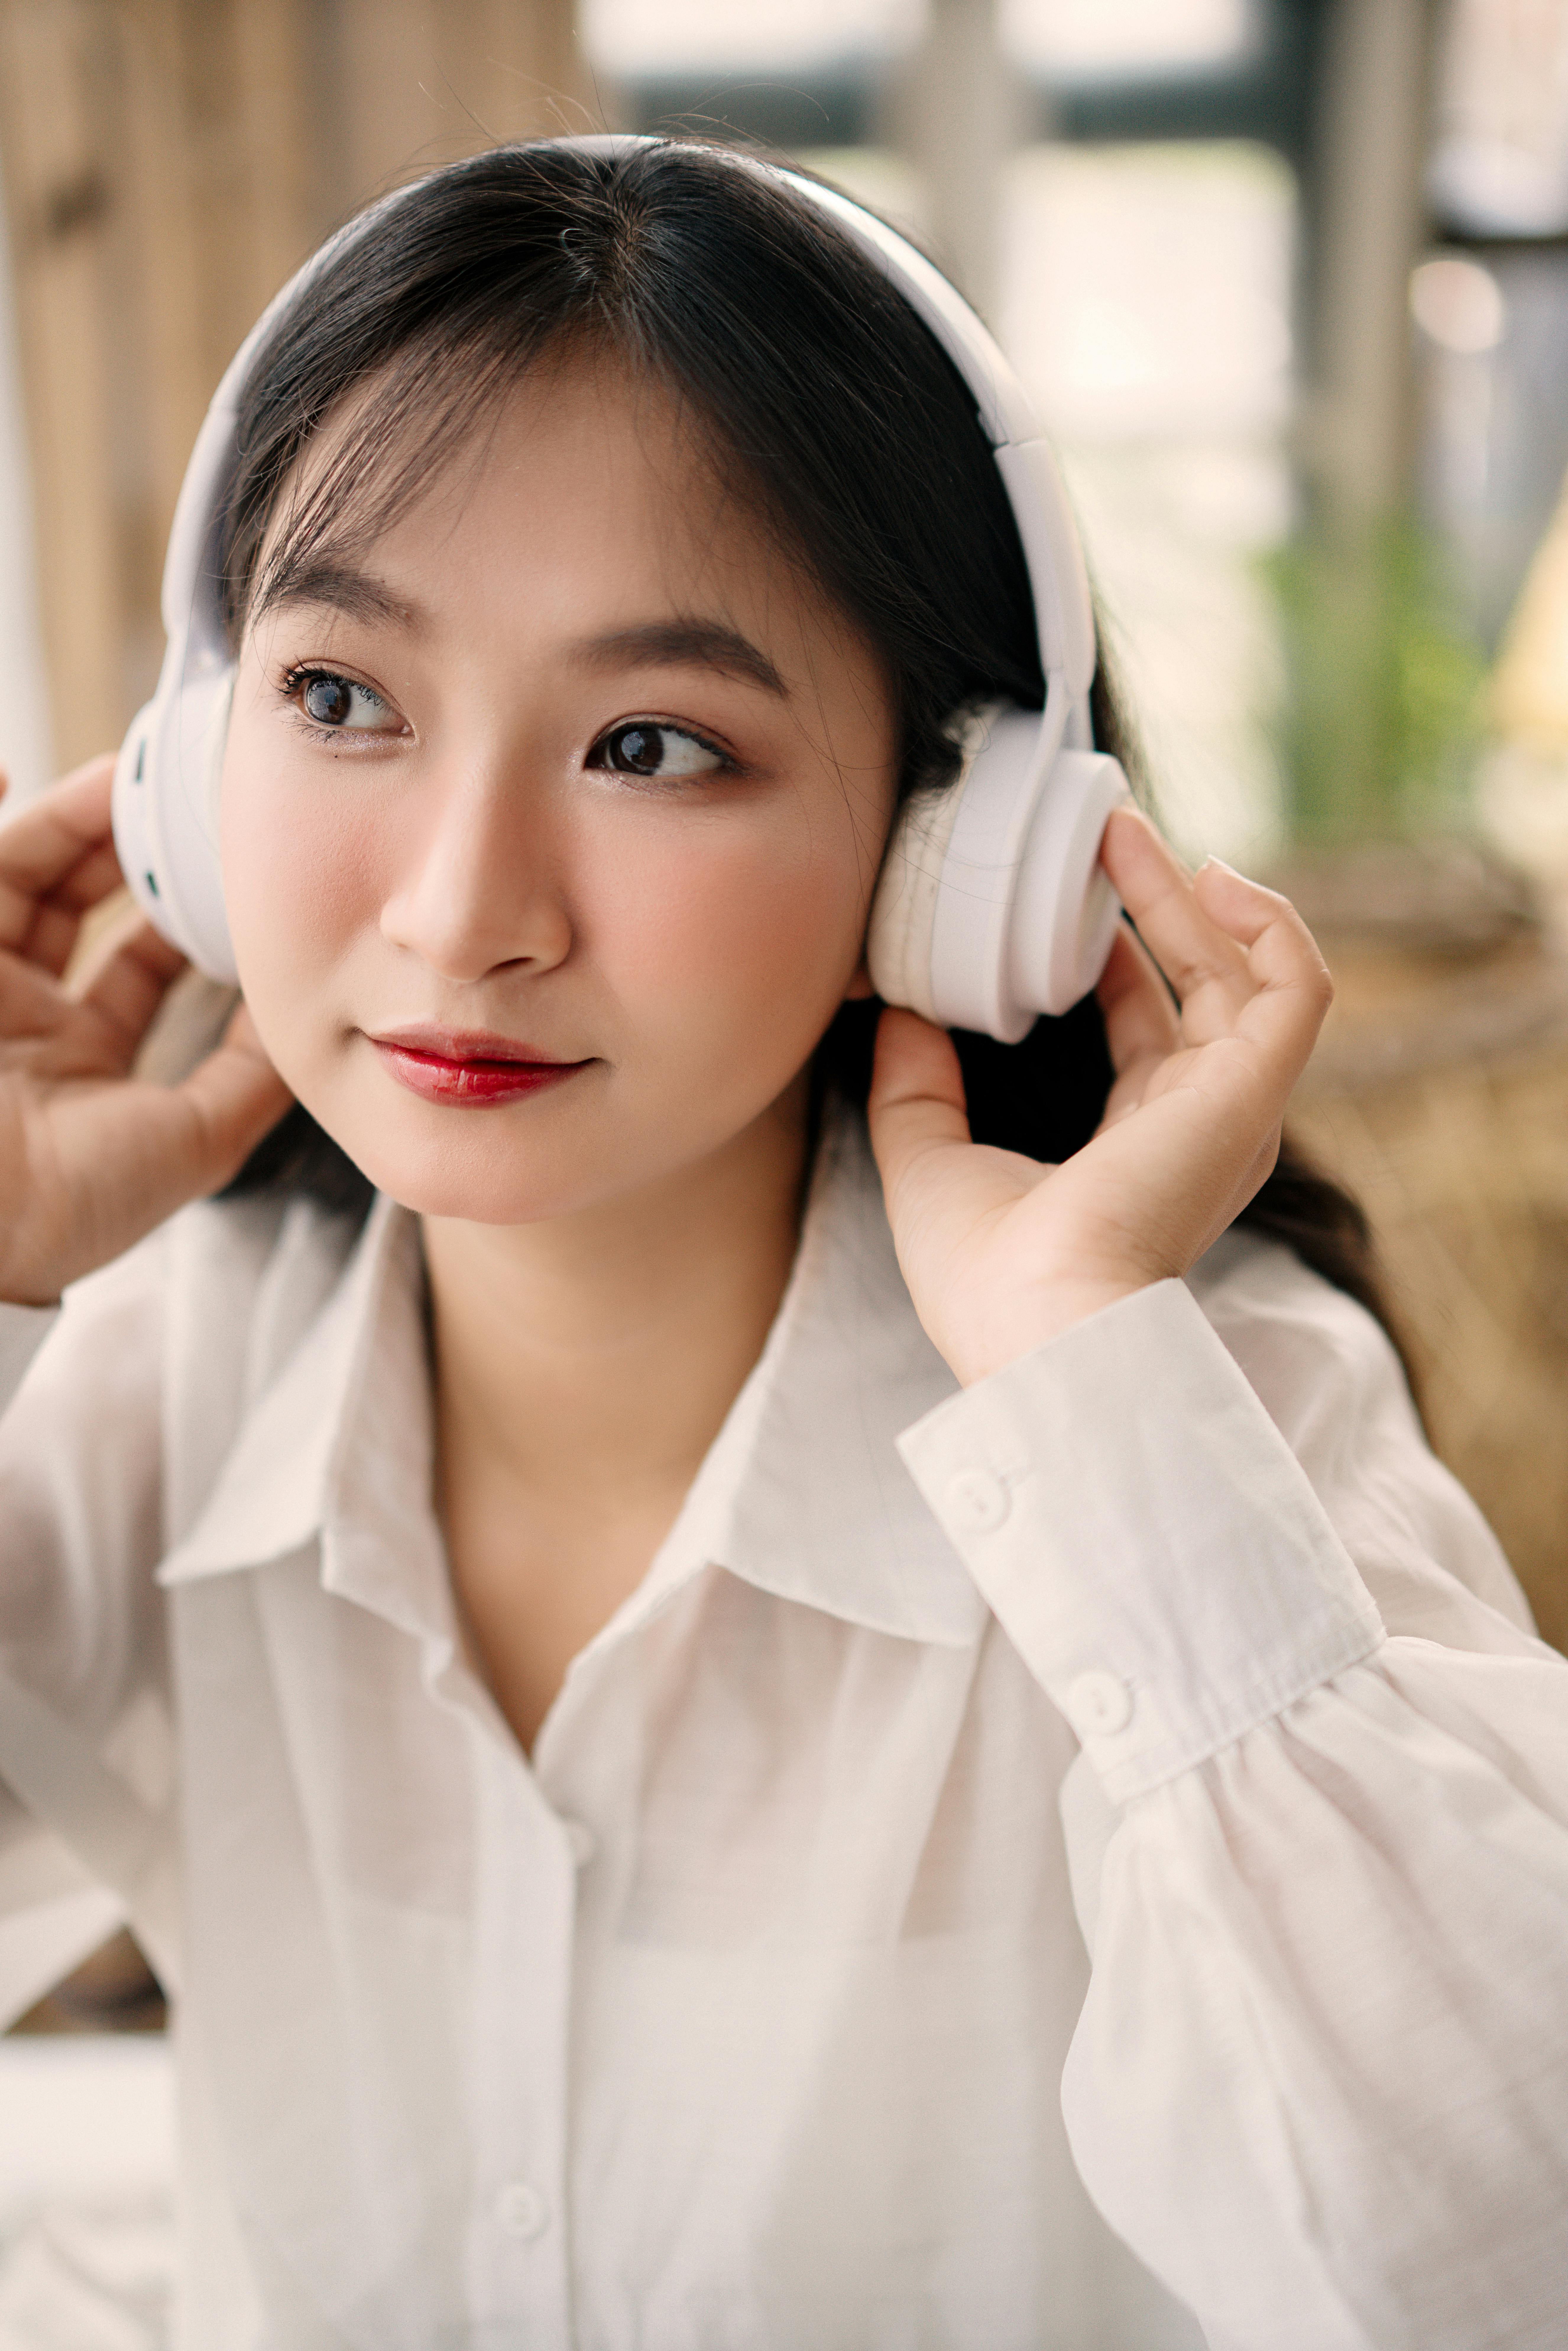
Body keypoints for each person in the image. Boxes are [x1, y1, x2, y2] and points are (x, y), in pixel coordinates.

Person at [0, 137, 1563, 2351]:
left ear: (954, 856)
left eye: (651, 743)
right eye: (342, 696)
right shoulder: (170, 1369)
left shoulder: (1205, 1428)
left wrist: (1079, 1385)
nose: (459, 910)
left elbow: (1498, 2261)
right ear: (183, 781)